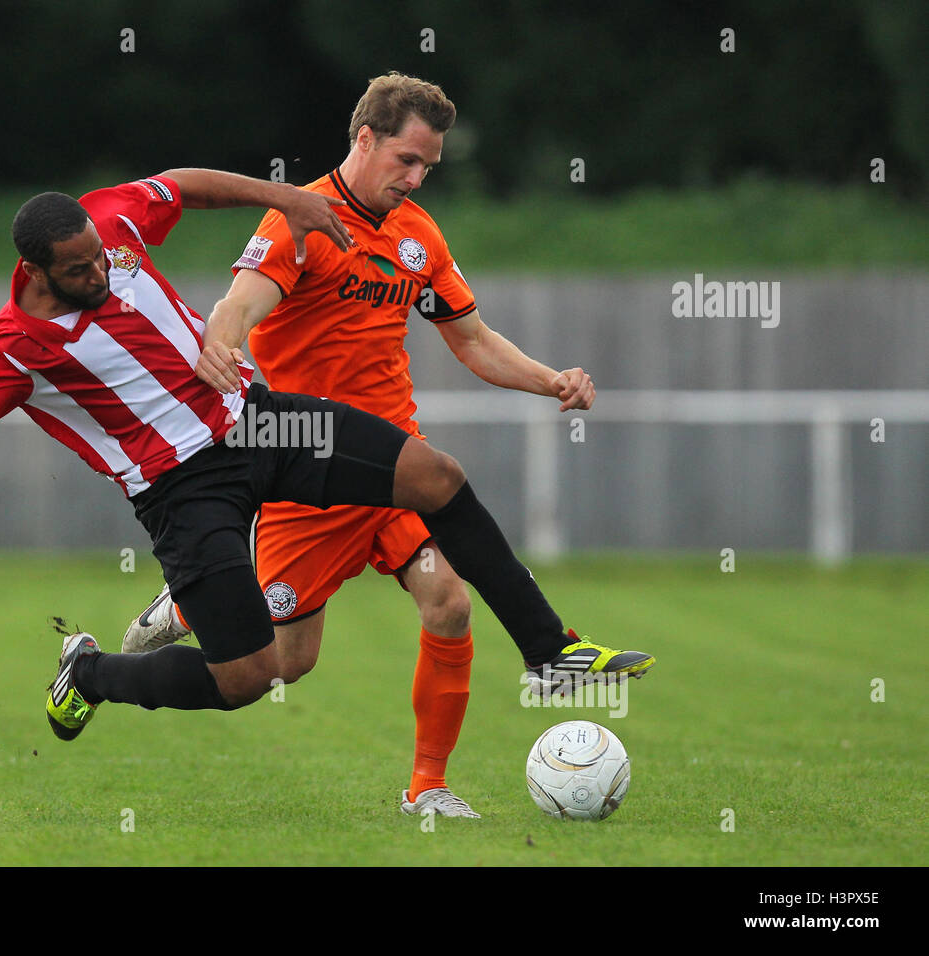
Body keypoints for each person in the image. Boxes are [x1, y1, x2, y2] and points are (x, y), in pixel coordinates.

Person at [0, 168, 653, 784]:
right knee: (251, 677)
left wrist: (285, 196)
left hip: (260, 423)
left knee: (436, 475)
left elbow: (185, 185)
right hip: (181, 492)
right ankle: (91, 673)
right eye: (77, 270)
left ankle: (550, 653)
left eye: (99, 255)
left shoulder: (113, 220)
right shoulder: (11, 347)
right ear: (34, 272)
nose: (99, 270)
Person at [120, 73, 653, 817]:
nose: (415, 178)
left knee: (449, 603)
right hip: (310, 466)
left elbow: (471, 338)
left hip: (399, 468)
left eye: (428, 167)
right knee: (283, 665)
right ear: (363, 140)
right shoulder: (297, 221)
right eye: (405, 160)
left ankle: (427, 788)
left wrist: (550, 380)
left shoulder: (419, 237)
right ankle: (170, 617)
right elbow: (238, 303)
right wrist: (221, 347)